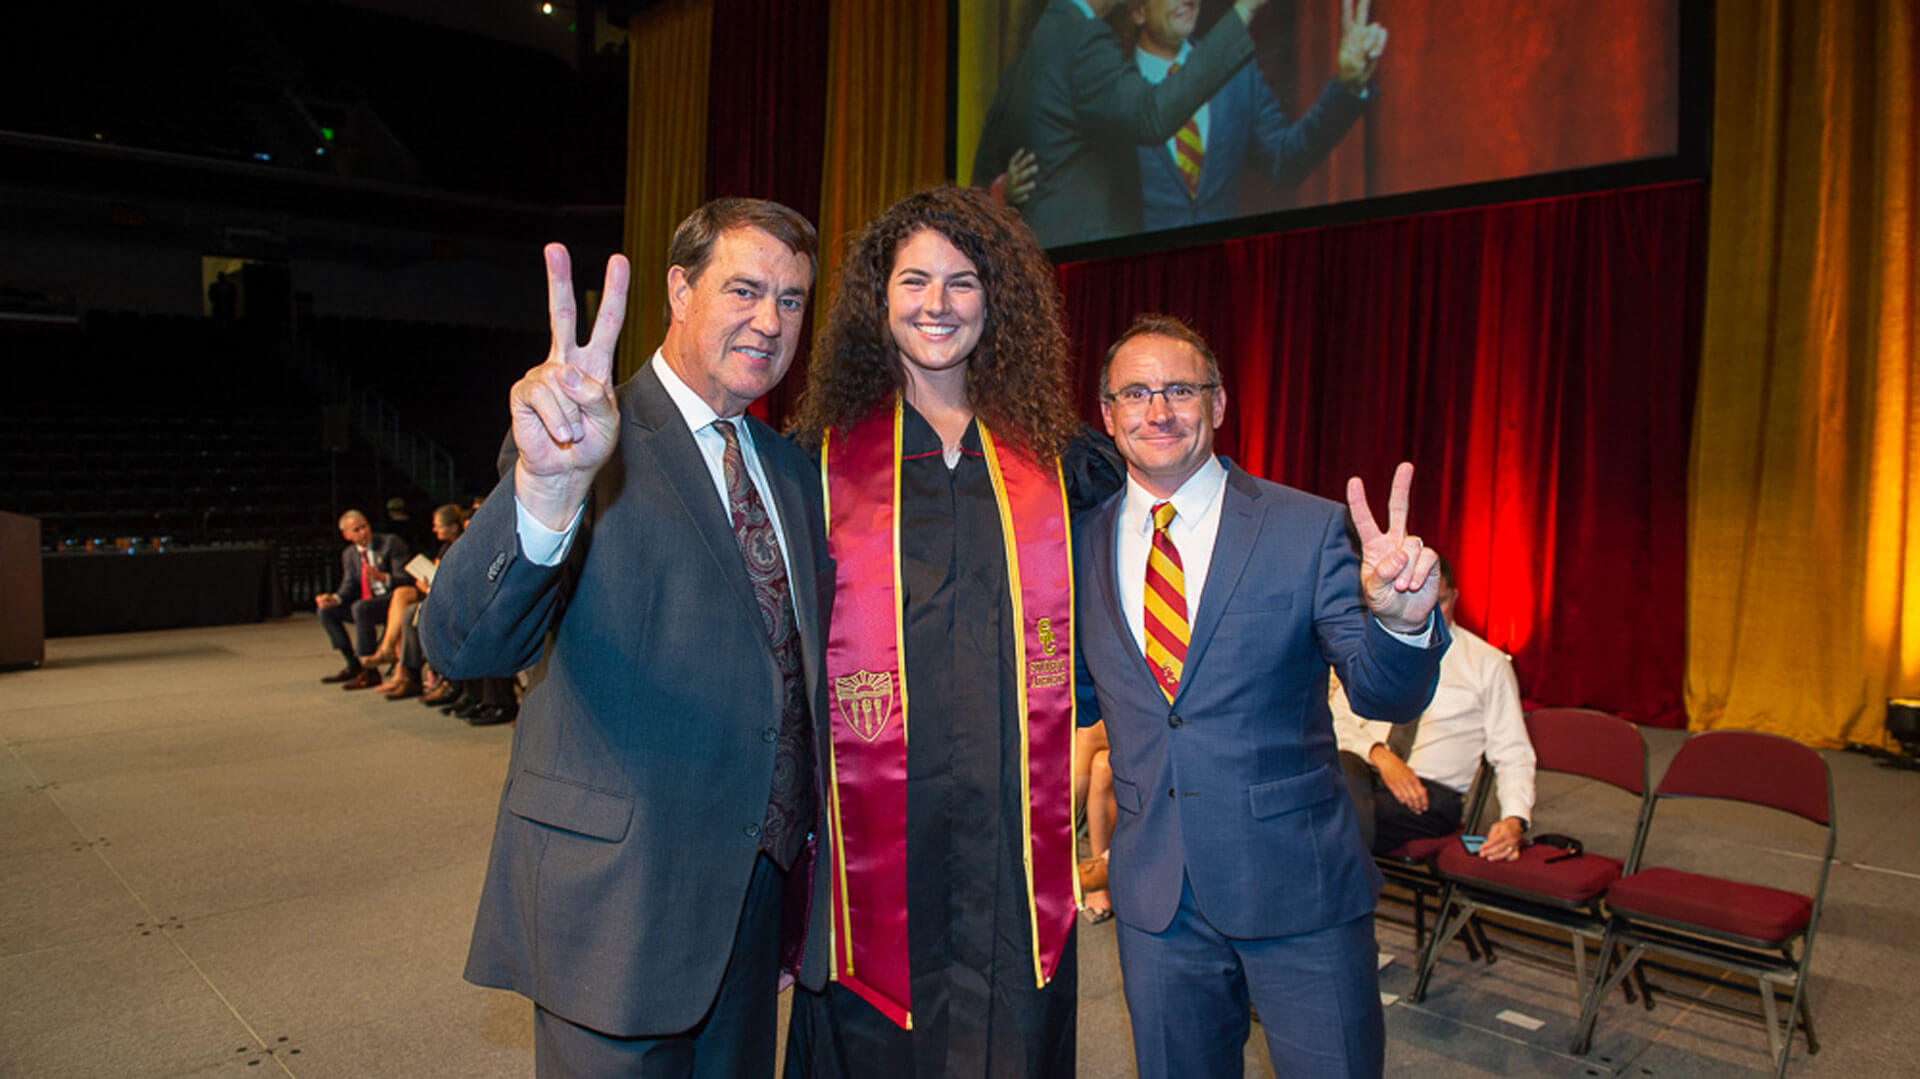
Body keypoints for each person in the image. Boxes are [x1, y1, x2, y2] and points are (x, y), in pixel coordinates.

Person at [419, 198, 834, 1076]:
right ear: (679, 290)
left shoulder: (793, 471)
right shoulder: (585, 437)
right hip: (617, 904)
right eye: (746, 290)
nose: (770, 320)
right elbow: (464, 645)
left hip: (749, 911)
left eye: (792, 300)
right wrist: (546, 491)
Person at [1074, 314, 1448, 1078]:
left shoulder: (1306, 529)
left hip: (1297, 890)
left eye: (1181, 389)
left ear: (1218, 405)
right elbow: (1073, 698)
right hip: (1156, 900)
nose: (1160, 410)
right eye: (1136, 393)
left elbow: (1383, 688)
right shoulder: (1076, 544)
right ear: (1108, 415)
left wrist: (1404, 625)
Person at [785, 185, 1084, 1076]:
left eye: (962, 281)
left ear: (998, 300)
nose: (937, 304)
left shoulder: (1060, 463)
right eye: (914, 280)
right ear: (880, 300)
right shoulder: (821, 460)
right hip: (879, 825)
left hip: (1012, 827)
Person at [970, 0, 1272, 248]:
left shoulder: (1043, 35)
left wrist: (999, 192)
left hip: (1047, 253)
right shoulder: (1079, 36)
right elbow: (1150, 115)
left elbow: (988, 159)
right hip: (1089, 259)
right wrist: (1242, 13)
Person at [1333, 558, 1535, 861]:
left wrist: (1515, 818)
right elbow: (1335, 720)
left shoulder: (1487, 664)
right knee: (1338, 776)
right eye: (1416, 602)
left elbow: (1512, 751)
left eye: (1437, 601)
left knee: (1324, 811)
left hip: (1429, 796)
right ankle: (1344, 895)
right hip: (1364, 771)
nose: (1426, 613)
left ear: (1454, 596)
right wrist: (1380, 755)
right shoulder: (1376, 651)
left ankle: (1327, 892)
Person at [1125, 0, 1383, 232]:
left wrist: (1347, 86)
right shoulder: (1111, 86)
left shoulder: (1236, 70)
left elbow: (1285, 161)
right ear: (1138, 11)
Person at [315, 509, 411, 690]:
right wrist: (334, 598)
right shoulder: (349, 554)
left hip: (391, 601)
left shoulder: (391, 543)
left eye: (364, 527)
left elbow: (406, 580)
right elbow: (349, 585)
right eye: (357, 530)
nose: (363, 532)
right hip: (367, 604)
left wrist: (383, 577)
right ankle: (353, 664)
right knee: (325, 611)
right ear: (346, 535)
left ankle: (369, 670)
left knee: (361, 607)